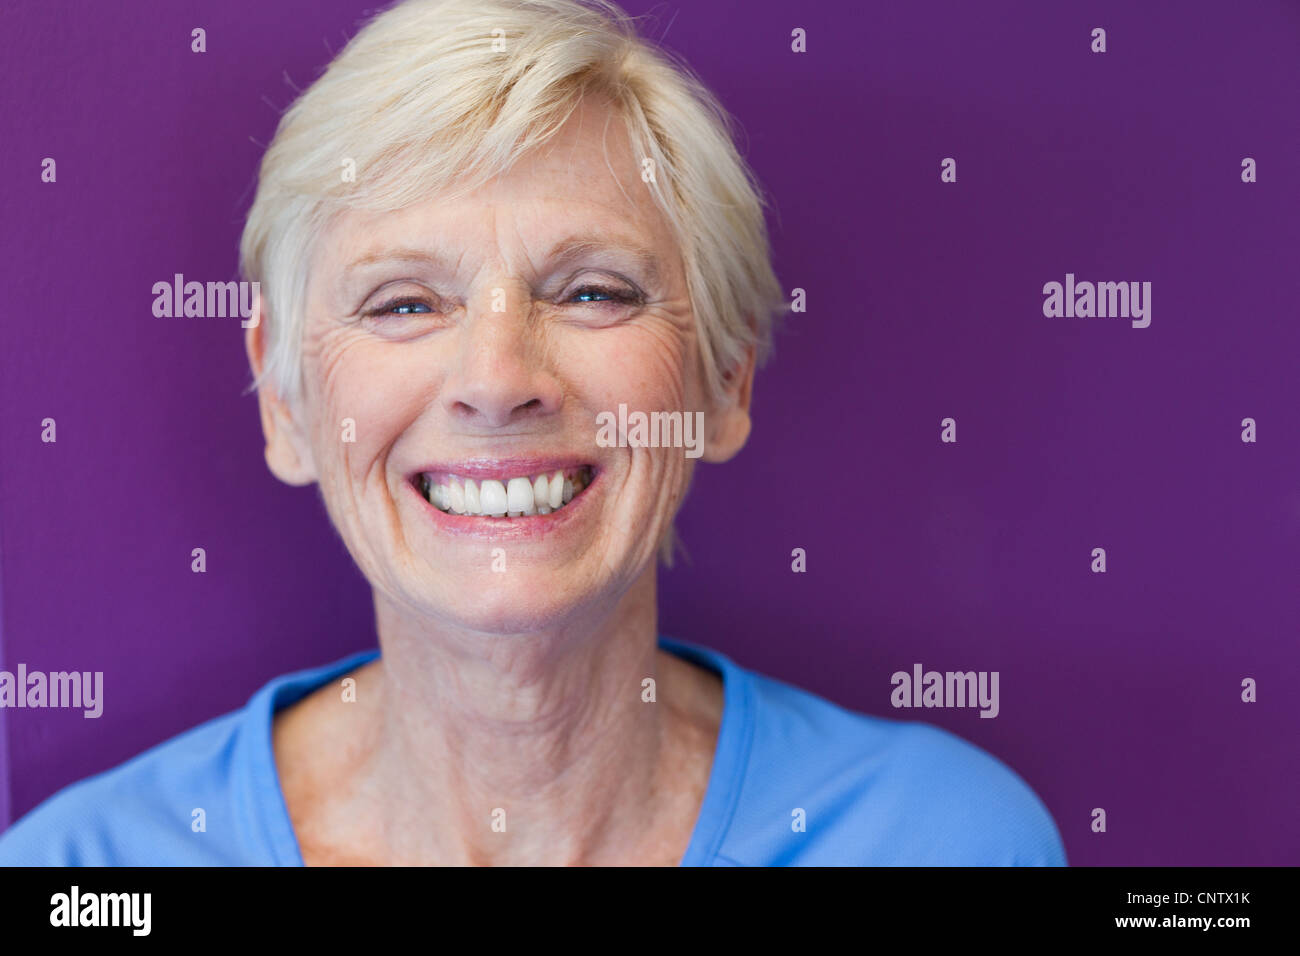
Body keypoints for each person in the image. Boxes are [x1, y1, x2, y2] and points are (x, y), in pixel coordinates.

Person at [0, 0, 1065, 866]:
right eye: (403, 303)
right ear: (284, 401)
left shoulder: (947, 840)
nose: (497, 380)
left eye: (594, 291)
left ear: (725, 376)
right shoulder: (79, 874)